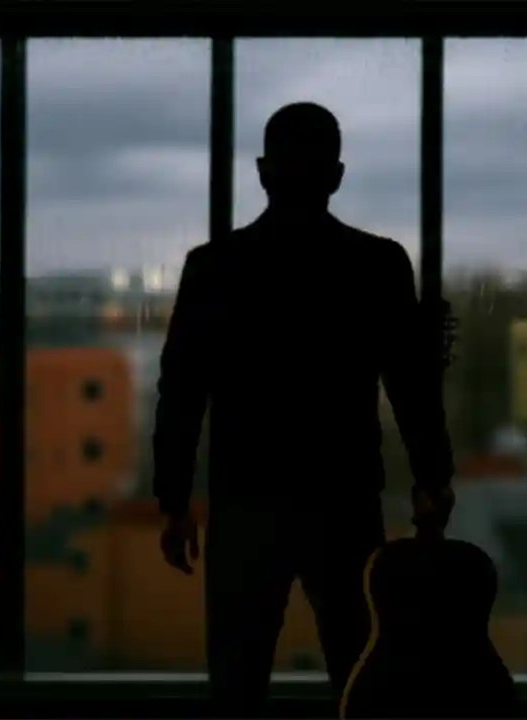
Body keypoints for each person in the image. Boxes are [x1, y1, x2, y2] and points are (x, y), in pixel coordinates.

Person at [151, 101, 456, 717]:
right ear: (336, 176)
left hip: (246, 500)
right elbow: (411, 386)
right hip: (342, 498)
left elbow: (182, 393)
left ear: (262, 172)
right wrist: (433, 476)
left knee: (238, 681)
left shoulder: (212, 268)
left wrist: (175, 500)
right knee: (361, 673)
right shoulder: (378, 264)